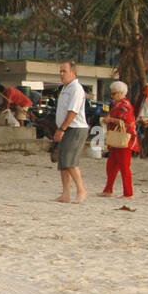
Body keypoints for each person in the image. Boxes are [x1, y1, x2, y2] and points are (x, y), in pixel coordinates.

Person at [53, 60, 89, 202]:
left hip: (75, 128)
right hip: (65, 127)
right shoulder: (65, 88)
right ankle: (65, 193)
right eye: (60, 71)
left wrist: (62, 128)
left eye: (64, 71)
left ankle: (81, 190)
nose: (61, 74)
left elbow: (72, 111)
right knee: (63, 162)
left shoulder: (76, 88)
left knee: (70, 160)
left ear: (73, 73)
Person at [98, 80, 138, 199]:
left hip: (124, 139)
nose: (112, 96)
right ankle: (108, 189)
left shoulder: (125, 106)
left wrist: (110, 120)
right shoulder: (117, 105)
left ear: (120, 93)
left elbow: (127, 122)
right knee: (112, 165)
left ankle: (128, 192)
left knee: (124, 166)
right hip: (117, 138)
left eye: (114, 93)